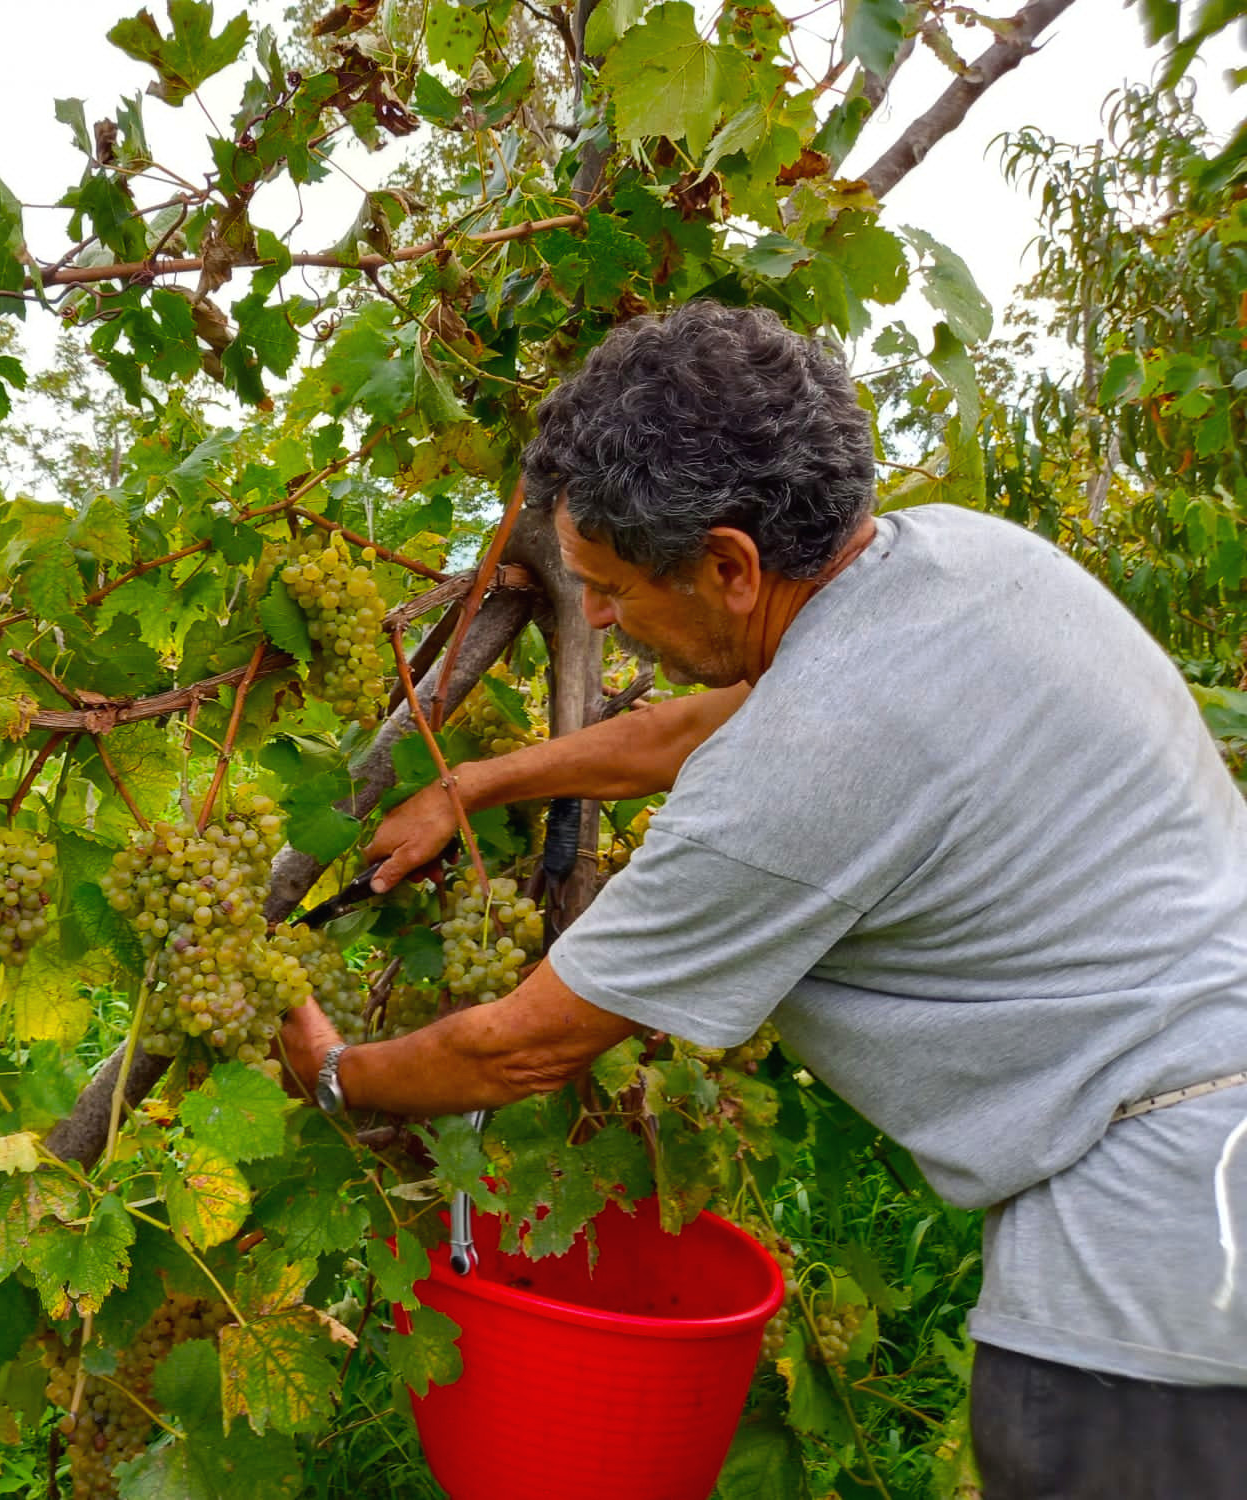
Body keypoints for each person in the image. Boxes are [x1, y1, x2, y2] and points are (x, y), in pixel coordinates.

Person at [276, 300, 1247, 1497]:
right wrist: (470, 785)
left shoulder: (805, 770)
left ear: (729, 566)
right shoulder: (956, 564)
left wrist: (332, 1070)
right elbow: (696, 728)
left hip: (1158, 1272)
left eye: (610, 589)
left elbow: (518, 1049)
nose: (604, 621)